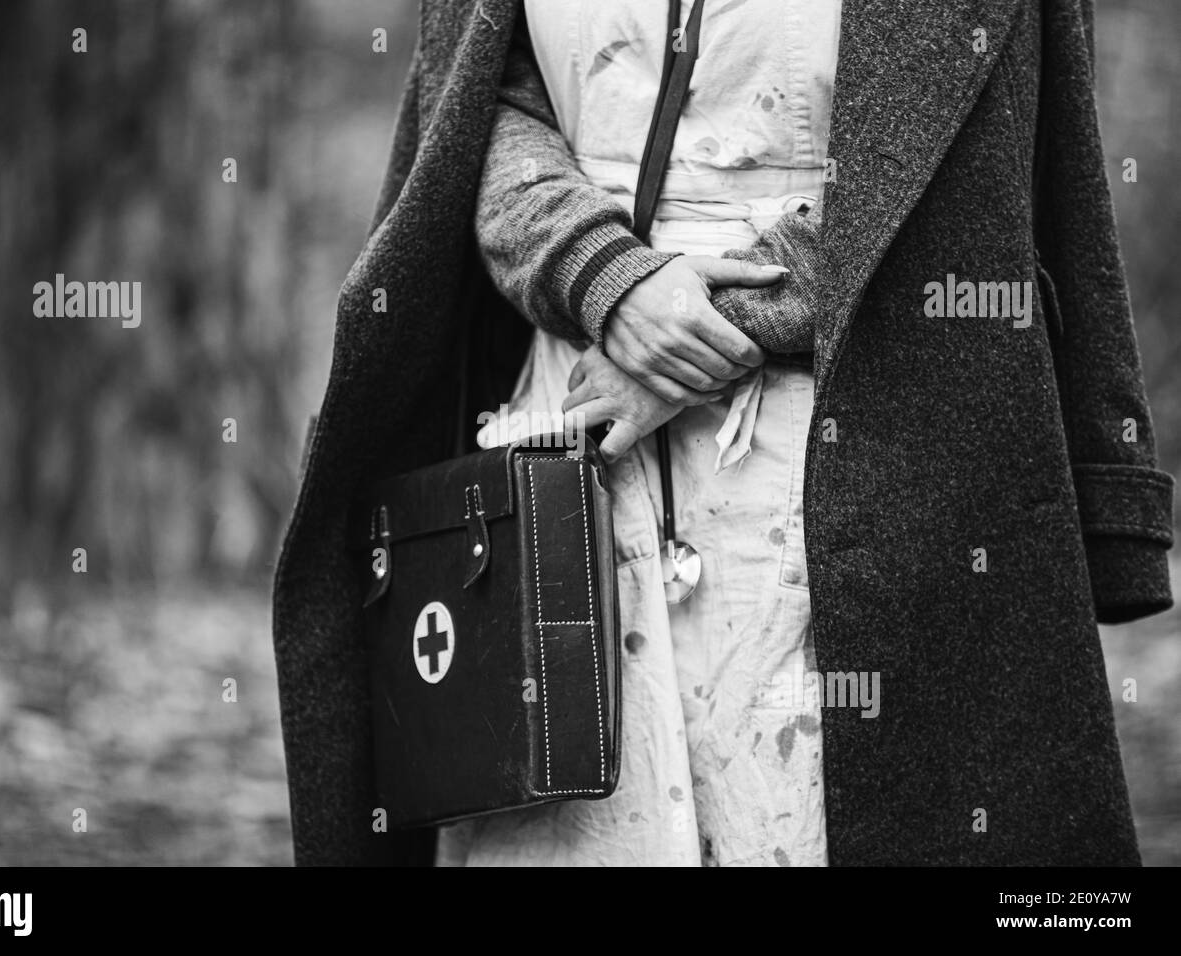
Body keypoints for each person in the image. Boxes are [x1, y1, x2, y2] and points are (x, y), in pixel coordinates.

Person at [273, 0, 1174, 866]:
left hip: (862, 442)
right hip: (561, 449)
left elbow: (974, 188)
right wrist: (601, 275)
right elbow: (480, 101)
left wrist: (707, 320)